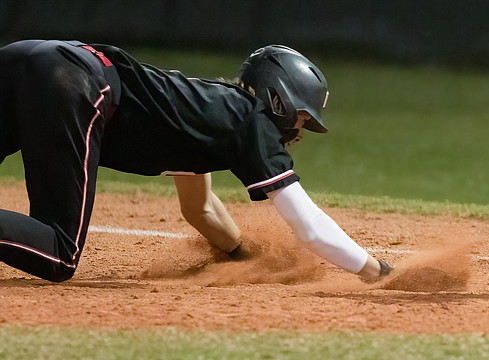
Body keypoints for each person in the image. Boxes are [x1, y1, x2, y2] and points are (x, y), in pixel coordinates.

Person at [0, 40, 392, 283]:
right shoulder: (252, 122)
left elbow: (200, 209)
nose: (301, 130)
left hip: (33, 57)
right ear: (280, 100)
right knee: (58, 254)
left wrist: (242, 258)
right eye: (303, 117)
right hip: (74, 80)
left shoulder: (208, 114)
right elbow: (310, 228)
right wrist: (378, 272)